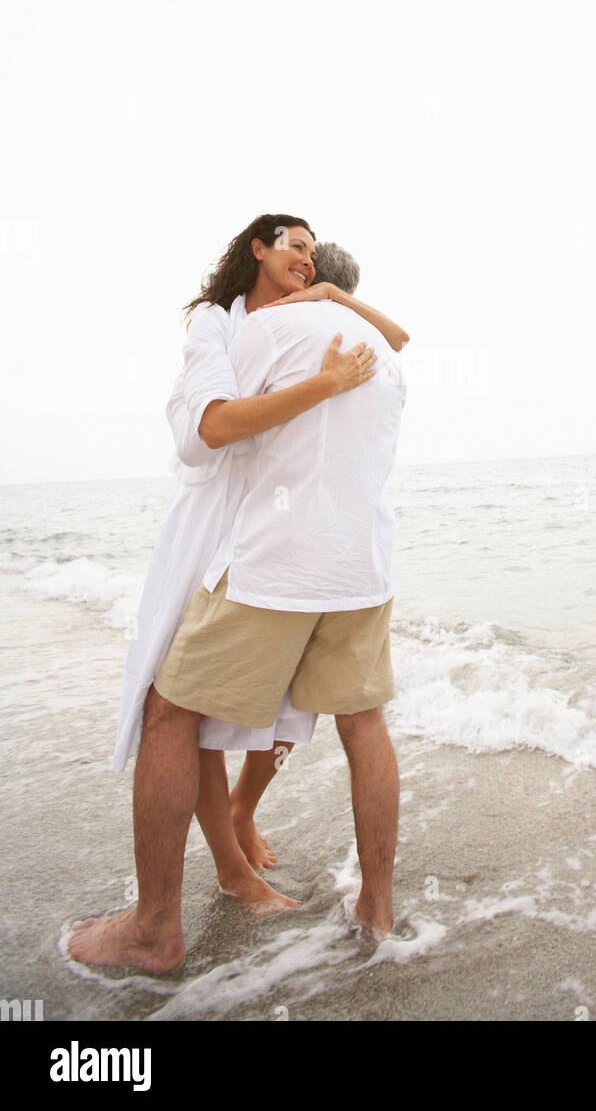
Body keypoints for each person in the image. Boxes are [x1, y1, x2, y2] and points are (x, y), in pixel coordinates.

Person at [71, 289, 406, 971]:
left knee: (172, 714)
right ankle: (376, 907)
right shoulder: (390, 360)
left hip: (274, 563)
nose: (300, 269)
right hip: (363, 567)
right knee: (361, 724)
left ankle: (153, 929)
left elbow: (208, 433)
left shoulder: (265, 329)